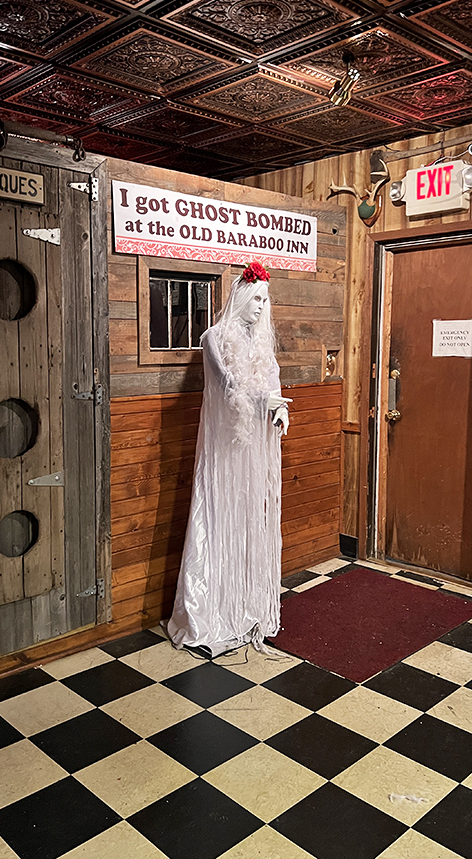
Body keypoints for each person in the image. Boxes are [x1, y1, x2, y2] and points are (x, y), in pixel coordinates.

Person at [166, 262, 290, 657]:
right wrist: (263, 400)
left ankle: (247, 608)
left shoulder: (260, 343)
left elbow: (270, 380)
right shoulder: (214, 339)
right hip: (224, 451)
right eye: (255, 298)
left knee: (251, 521)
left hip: (253, 450)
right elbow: (227, 386)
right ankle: (211, 613)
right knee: (219, 520)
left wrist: (278, 408)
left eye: (265, 300)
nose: (260, 307)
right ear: (238, 297)